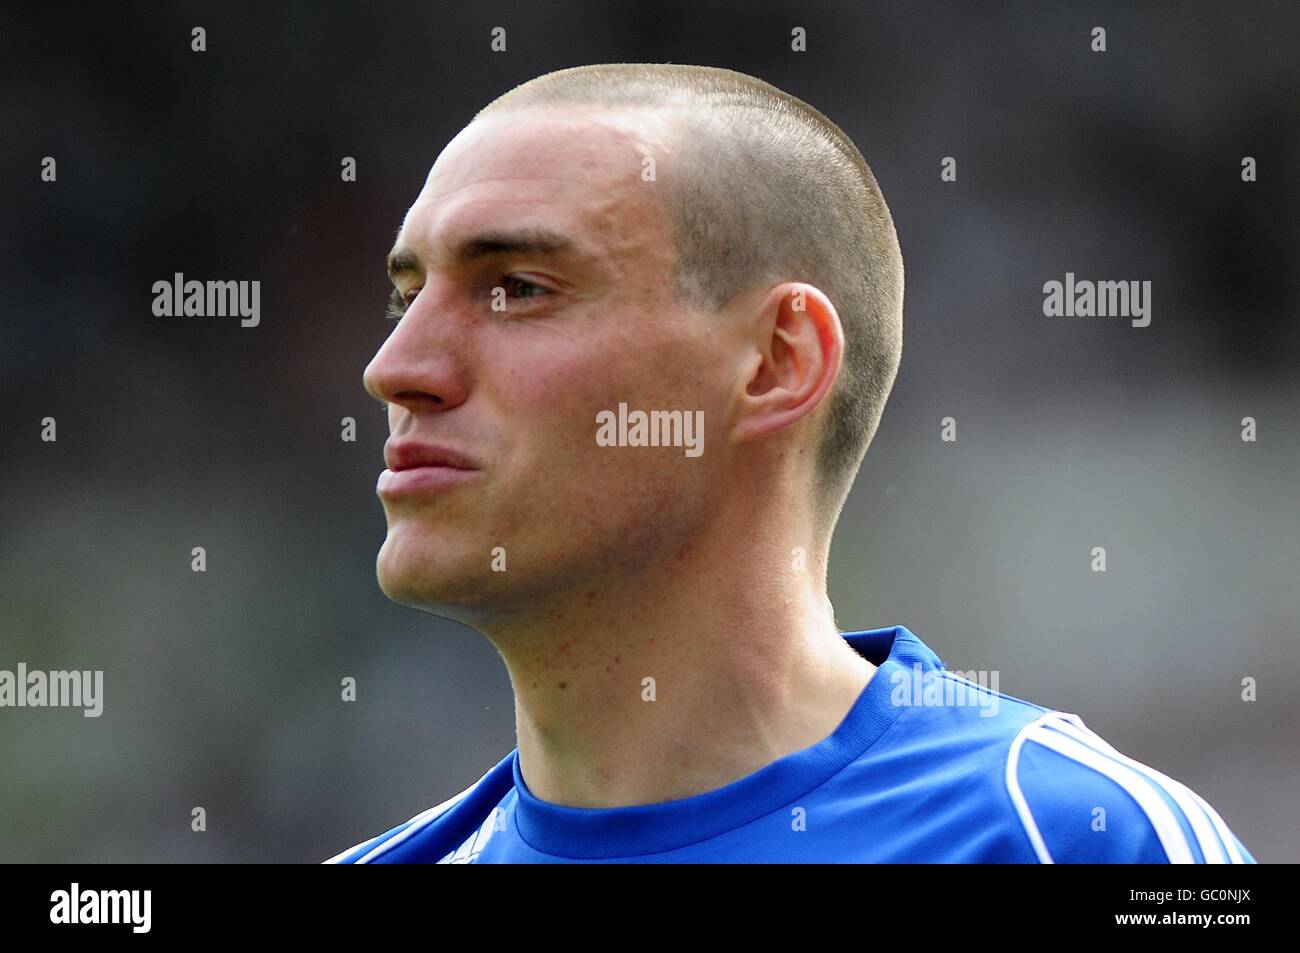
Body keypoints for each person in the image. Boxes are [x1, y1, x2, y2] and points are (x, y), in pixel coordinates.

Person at [328, 63, 1254, 863]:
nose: (395, 368)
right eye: (406, 296)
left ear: (778, 361)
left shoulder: (1071, 837)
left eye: (518, 288)